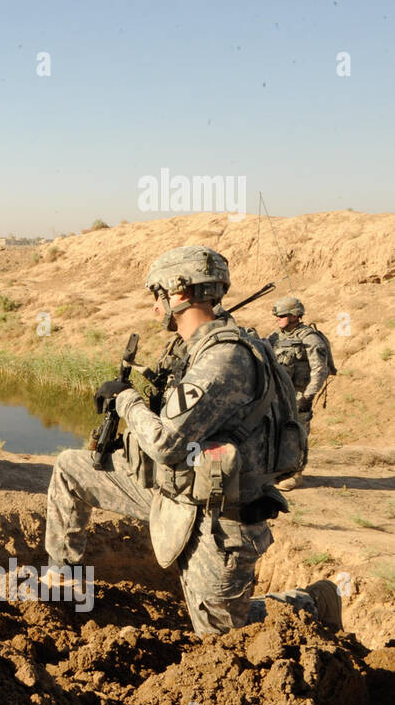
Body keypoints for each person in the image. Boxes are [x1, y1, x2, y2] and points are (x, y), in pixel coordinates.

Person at [43, 245, 339, 635]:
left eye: (158, 295)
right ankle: (65, 581)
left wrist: (126, 400)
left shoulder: (225, 358)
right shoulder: (194, 348)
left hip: (218, 518)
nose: (155, 306)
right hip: (176, 490)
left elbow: (166, 441)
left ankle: (311, 601)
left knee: (223, 637)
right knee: (70, 469)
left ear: (178, 294)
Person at [267, 296, 336, 490]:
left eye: (281, 315)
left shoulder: (310, 339)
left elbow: (319, 370)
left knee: (297, 432)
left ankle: (296, 473)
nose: (277, 319)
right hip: (278, 393)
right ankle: (278, 470)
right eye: (277, 315)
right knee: (275, 431)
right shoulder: (276, 337)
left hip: (299, 394)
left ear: (295, 316)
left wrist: (308, 396)